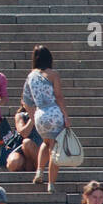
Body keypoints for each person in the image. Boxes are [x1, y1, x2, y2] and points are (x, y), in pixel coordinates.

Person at [21, 44, 71, 192]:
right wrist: (66, 116)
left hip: (40, 114)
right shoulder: (53, 74)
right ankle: (51, 183)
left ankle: (39, 171)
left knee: (45, 143)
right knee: (55, 148)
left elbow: (26, 101)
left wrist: (33, 116)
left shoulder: (30, 76)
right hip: (53, 112)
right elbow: (59, 97)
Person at [4, 106, 42, 173]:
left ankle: (40, 169)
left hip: (40, 150)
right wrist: (32, 118)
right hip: (21, 148)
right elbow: (24, 133)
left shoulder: (44, 115)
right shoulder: (20, 116)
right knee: (13, 162)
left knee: (27, 143)